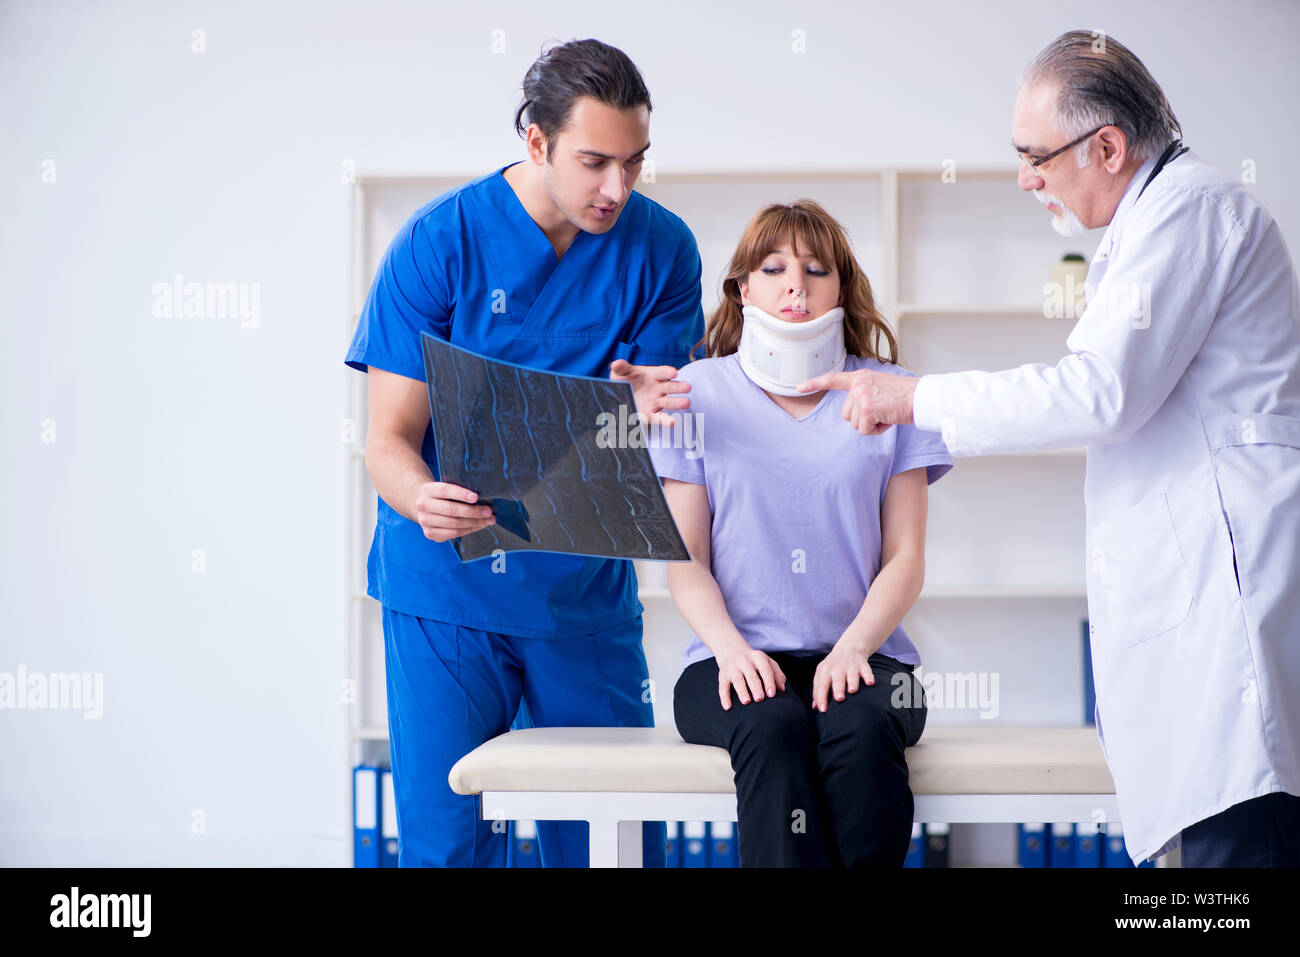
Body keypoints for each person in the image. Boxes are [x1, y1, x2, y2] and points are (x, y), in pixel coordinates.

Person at [802, 30, 1300, 867]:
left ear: (1107, 146)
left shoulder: (1194, 210)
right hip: (1202, 617)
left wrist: (914, 396)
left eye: (1037, 156)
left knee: (1234, 869)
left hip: (1232, 615)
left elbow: (1097, 393)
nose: (1026, 177)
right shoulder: (1150, 225)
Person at [344, 38, 702, 867]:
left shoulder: (663, 250)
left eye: (636, 162)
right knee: (450, 846)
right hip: (447, 590)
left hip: (580, 594)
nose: (617, 188)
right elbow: (388, 442)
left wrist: (651, 413)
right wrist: (419, 496)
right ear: (535, 141)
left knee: (610, 841)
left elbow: (660, 427)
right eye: (594, 162)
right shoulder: (439, 245)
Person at [649, 199, 952, 866]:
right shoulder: (694, 393)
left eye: (817, 270)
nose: (796, 285)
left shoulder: (893, 393)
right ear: (742, 287)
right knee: (772, 721)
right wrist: (731, 651)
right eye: (775, 267)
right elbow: (684, 560)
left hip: (866, 654)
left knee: (864, 722)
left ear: (841, 287)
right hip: (729, 659)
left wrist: (853, 648)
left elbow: (905, 556)